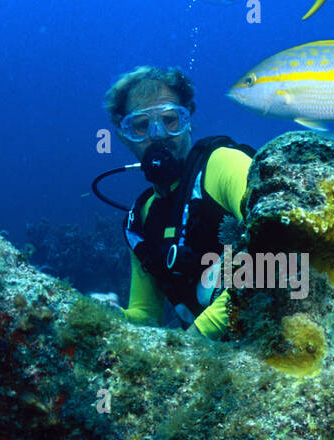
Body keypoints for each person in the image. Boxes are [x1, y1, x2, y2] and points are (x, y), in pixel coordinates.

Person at [102, 65, 254, 339]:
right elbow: (145, 314)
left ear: (189, 121)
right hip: (213, 364)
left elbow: (279, 244)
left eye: (170, 119)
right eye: (140, 126)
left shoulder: (222, 164)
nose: (158, 134)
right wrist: (109, 318)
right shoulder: (141, 220)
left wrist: (200, 334)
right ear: (123, 137)